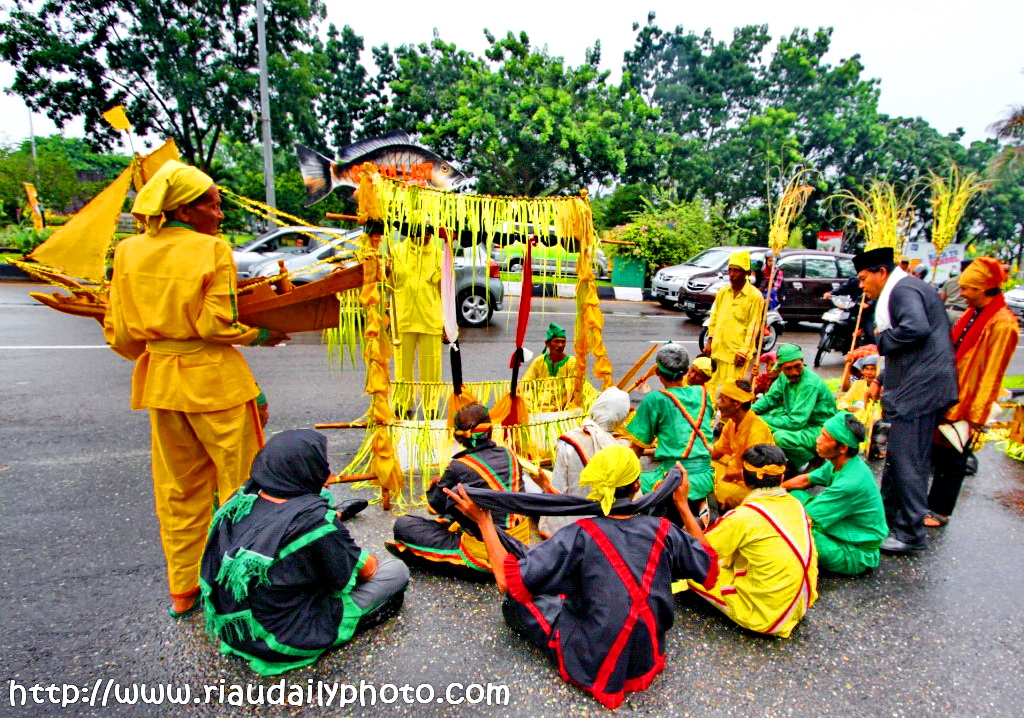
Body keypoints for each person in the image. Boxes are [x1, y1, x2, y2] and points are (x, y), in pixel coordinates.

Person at [103, 160, 287, 616]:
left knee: (177, 491)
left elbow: (121, 335)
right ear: (185, 210)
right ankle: (243, 592)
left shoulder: (127, 252)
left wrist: (163, 346)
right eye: (213, 205)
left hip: (161, 383)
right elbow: (215, 325)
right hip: (216, 384)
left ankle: (184, 590)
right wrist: (262, 335)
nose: (220, 214)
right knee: (245, 489)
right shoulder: (212, 250)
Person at [443, 447, 718, 709]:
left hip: (593, 660)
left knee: (519, 601)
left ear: (595, 487)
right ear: (637, 486)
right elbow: (707, 564)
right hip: (647, 652)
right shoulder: (663, 529)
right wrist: (682, 504)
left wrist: (484, 522)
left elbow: (506, 582)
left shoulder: (580, 534)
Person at [201, 430, 408, 675]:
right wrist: (357, 552)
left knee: (319, 511)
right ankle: (342, 626)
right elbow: (366, 571)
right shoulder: (314, 523)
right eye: (321, 467)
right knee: (395, 570)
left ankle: (336, 522)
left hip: (236, 629)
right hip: (282, 638)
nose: (327, 475)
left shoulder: (239, 500)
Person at [855, 247, 957, 554]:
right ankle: (890, 519)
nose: (862, 286)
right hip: (919, 384)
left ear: (881, 272)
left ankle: (911, 533)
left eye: (863, 278)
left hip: (921, 389)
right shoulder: (906, 287)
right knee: (900, 459)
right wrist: (881, 380)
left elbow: (915, 328)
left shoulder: (902, 289)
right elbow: (912, 344)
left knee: (907, 461)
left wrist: (881, 339)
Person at [683, 444, 818, 638]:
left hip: (766, 617)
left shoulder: (744, 517)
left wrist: (682, 504)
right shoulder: (796, 504)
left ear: (745, 477)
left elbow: (702, 554)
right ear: (782, 477)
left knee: (692, 568)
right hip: (800, 604)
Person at [927, 257, 1018, 528]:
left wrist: (976, 413)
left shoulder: (1003, 323)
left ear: (984, 288)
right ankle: (930, 505)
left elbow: (992, 373)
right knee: (939, 456)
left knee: (953, 461)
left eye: (968, 289)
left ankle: (940, 511)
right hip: (949, 396)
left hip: (967, 404)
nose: (962, 293)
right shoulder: (975, 313)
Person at [388, 404, 531, 577]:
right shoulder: (510, 454)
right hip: (520, 544)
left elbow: (435, 507)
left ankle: (438, 557)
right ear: (491, 430)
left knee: (404, 526)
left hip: (485, 554)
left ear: (458, 438)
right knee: (455, 511)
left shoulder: (458, 466)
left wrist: (436, 485)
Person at [783, 413, 887, 575]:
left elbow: (803, 519)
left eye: (824, 437)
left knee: (793, 530)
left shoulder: (850, 484)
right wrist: (770, 490)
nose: (818, 440)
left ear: (843, 448)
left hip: (856, 553)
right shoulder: (841, 461)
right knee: (794, 495)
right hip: (845, 529)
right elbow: (805, 480)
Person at [624, 344, 714, 508]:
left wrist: (618, 470)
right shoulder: (702, 393)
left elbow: (636, 448)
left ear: (657, 373)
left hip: (674, 480)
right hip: (706, 477)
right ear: (686, 372)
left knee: (626, 484)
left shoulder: (655, 399)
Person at [539, 387, 632, 537]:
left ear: (597, 406)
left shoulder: (569, 441)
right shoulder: (624, 448)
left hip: (568, 526)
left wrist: (545, 485)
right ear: (621, 417)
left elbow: (559, 489)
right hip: (607, 525)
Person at [751, 344, 837, 471]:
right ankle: (790, 461)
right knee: (760, 423)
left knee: (778, 436)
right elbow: (770, 399)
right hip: (802, 423)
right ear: (781, 368)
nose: (794, 372)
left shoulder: (809, 384)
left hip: (820, 429)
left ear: (803, 362)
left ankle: (815, 457)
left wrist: (758, 419)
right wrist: (751, 412)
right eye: (788, 368)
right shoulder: (782, 377)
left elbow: (796, 421)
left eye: (798, 366)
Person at [705, 251, 764, 397]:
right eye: (730, 270)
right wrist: (709, 341)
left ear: (747, 273)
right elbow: (714, 317)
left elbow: (754, 326)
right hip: (717, 350)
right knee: (710, 389)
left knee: (731, 394)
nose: (732, 274)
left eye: (736, 270)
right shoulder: (723, 292)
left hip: (736, 355)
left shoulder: (755, 296)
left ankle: (726, 421)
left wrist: (744, 352)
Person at [392, 225, 443, 389]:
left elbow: (446, 292)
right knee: (402, 367)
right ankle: (402, 403)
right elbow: (387, 284)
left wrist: (448, 324)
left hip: (431, 319)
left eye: (430, 231)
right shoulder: (395, 252)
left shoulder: (439, 255)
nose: (427, 235)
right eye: (423, 231)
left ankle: (431, 406)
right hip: (404, 318)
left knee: (432, 368)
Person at [711, 380, 776, 510]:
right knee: (701, 469)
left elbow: (755, 474)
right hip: (732, 473)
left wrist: (730, 476)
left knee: (721, 490)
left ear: (737, 404)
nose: (718, 404)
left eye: (722, 401)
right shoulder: (732, 422)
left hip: (753, 485)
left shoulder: (756, 432)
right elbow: (717, 451)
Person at [521, 322, 579, 412]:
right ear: (547, 343)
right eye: (556, 341)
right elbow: (525, 384)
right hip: (539, 403)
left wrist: (557, 408)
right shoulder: (539, 361)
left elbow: (573, 391)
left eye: (563, 342)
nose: (560, 345)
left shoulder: (572, 362)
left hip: (562, 404)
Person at [837, 354, 883, 433]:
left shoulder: (883, 389)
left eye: (873, 369)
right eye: (866, 369)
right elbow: (842, 400)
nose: (868, 372)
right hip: (857, 421)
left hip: (874, 424)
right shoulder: (858, 384)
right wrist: (848, 407)